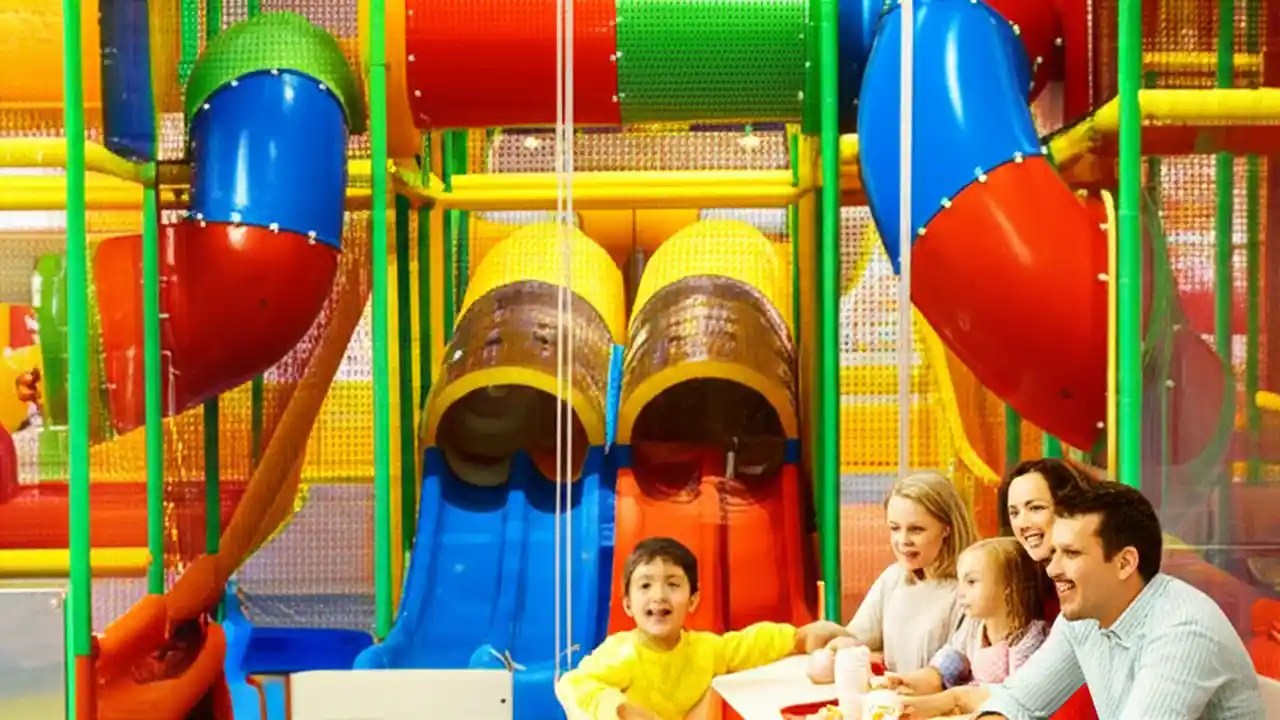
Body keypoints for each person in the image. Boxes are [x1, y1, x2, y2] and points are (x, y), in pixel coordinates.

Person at [977, 482, 1265, 719]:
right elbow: (1017, 702)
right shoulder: (1084, 615)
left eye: (1072, 553)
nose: (1052, 569)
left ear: (1125, 562)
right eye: (1054, 553)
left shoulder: (1183, 629)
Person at [555, 536, 846, 720]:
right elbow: (573, 684)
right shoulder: (623, 652)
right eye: (645, 585)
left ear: (693, 600)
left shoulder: (704, 649)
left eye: (672, 584)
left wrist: (798, 638)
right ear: (628, 604)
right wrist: (621, 710)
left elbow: (746, 645)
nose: (658, 595)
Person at [874, 537, 1048, 718]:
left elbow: (1019, 700)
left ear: (1009, 586)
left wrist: (952, 703)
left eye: (971, 582)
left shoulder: (1032, 639)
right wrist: (909, 682)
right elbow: (945, 669)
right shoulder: (973, 627)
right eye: (960, 581)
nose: (960, 592)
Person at [825, 471, 979, 673]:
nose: (903, 541)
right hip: (893, 700)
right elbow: (857, 638)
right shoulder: (893, 578)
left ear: (946, 529)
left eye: (916, 529)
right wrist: (838, 646)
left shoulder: (969, 589)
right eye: (895, 528)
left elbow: (959, 672)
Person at [1000, 457, 1100, 720]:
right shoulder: (1040, 586)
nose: (1022, 523)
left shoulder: (1092, 591)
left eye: (1035, 508)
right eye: (1014, 512)